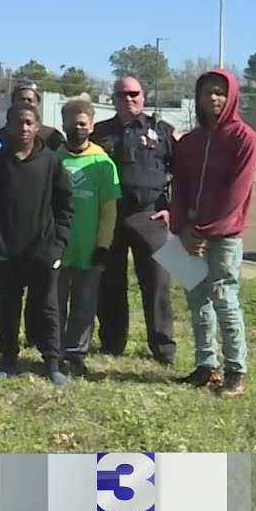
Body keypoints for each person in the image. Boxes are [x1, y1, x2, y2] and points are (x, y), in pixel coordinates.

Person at [171, 70, 256, 397]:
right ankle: (205, 366)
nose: (214, 98)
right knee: (197, 300)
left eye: (221, 92)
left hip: (223, 236)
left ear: (232, 95)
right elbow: (178, 187)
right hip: (188, 234)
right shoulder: (191, 142)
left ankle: (236, 370)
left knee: (224, 298)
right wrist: (182, 229)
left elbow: (235, 194)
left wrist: (204, 231)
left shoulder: (244, 138)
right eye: (208, 92)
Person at [0, 104, 73, 385]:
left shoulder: (52, 162)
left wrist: (59, 245)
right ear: (8, 126)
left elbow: (65, 207)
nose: (24, 128)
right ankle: (7, 359)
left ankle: (53, 363)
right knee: (7, 308)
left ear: (38, 125)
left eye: (30, 122)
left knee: (48, 309)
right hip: (6, 252)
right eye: (19, 123)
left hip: (43, 251)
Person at [93, 76, 177, 364]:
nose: (128, 99)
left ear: (144, 96)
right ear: (113, 99)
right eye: (121, 94)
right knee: (110, 282)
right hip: (110, 218)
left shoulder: (162, 131)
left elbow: (182, 173)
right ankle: (112, 342)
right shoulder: (99, 132)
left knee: (157, 284)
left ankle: (163, 348)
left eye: (134, 94)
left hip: (150, 217)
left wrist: (172, 209)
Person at [55, 99, 119, 376]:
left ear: (91, 127)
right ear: (64, 125)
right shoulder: (53, 160)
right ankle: (54, 350)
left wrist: (103, 246)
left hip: (89, 247)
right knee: (54, 302)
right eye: (72, 124)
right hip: (59, 246)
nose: (77, 128)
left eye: (82, 124)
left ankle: (76, 352)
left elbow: (108, 212)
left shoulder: (103, 163)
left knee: (85, 302)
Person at [0, 83, 64, 150]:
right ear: (13, 102)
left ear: (38, 103)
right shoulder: (0, 137)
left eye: (30, 100)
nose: (25, 103)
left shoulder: (52, 136)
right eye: (21, 99)